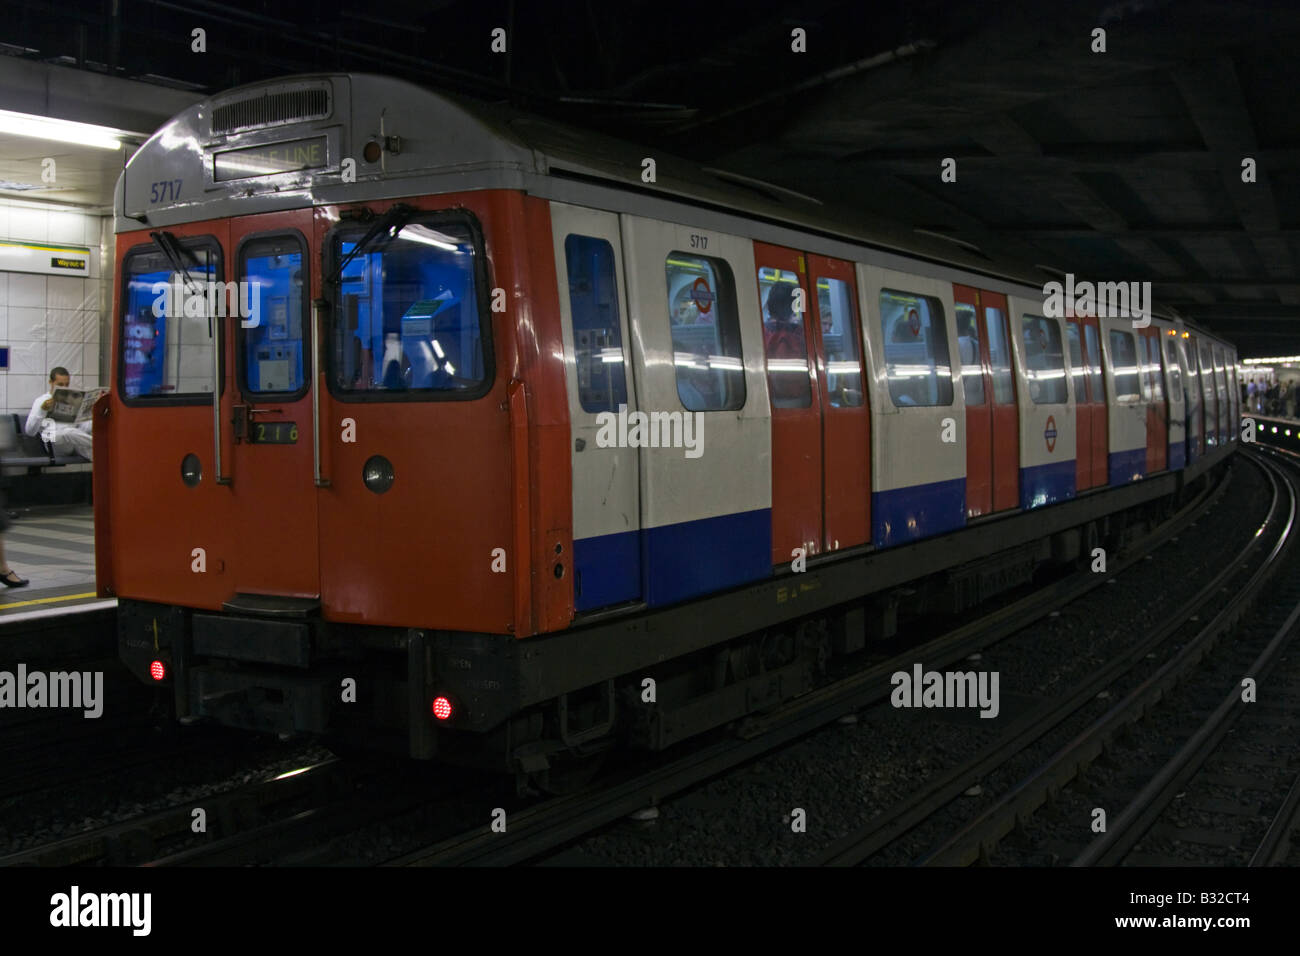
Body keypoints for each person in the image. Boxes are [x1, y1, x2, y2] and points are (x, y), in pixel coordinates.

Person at [26, 367, 92, 461]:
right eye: (60, 384)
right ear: (51, 382)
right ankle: (100, 444)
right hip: (54, 443)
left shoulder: (72, 399)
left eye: (67, 384)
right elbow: (30, 431)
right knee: (67, 432)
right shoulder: (42, 401)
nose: (64, 388)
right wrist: (42, 410)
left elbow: (82, 426)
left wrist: (90, 415)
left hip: (74, 440)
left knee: (94, 452)